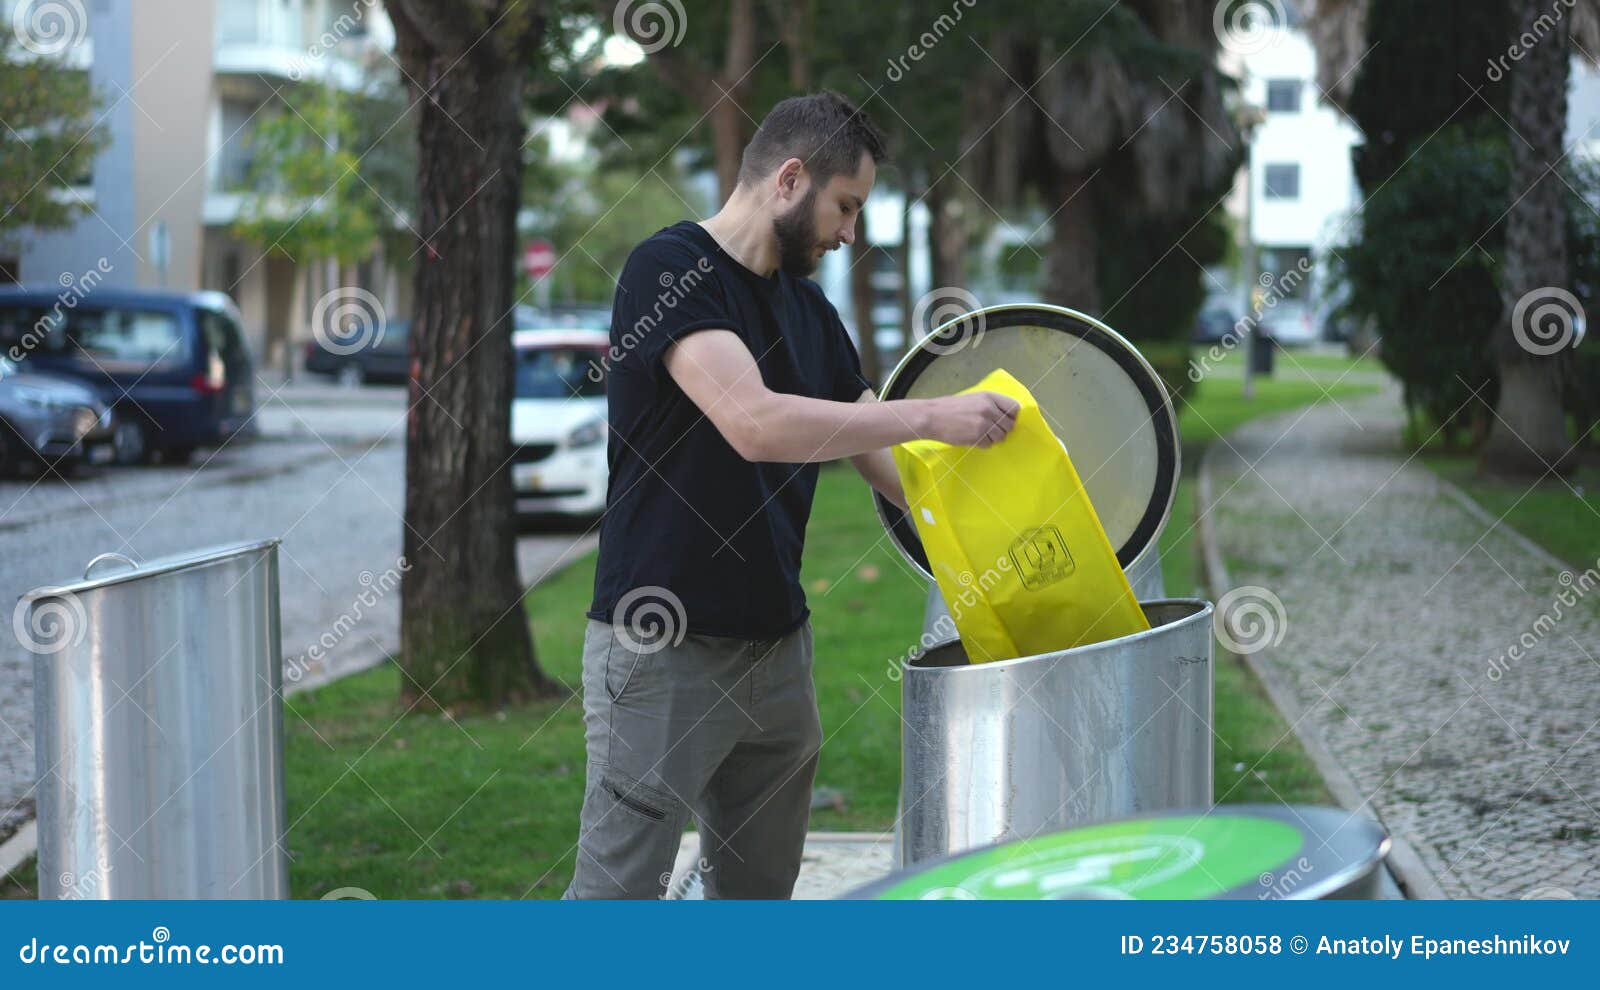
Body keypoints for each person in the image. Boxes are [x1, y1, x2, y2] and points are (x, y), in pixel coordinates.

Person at [564, 91, 1018, 899]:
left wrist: (1002, 536)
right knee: (615, 900)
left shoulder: (810, 310)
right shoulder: (669, 271)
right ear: (791, 178)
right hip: (661, 649)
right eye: (846, 207)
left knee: (757, 902)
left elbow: (887, 453)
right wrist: (934, 413)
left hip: (778, 658)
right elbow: (755, 422)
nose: (850, 233)